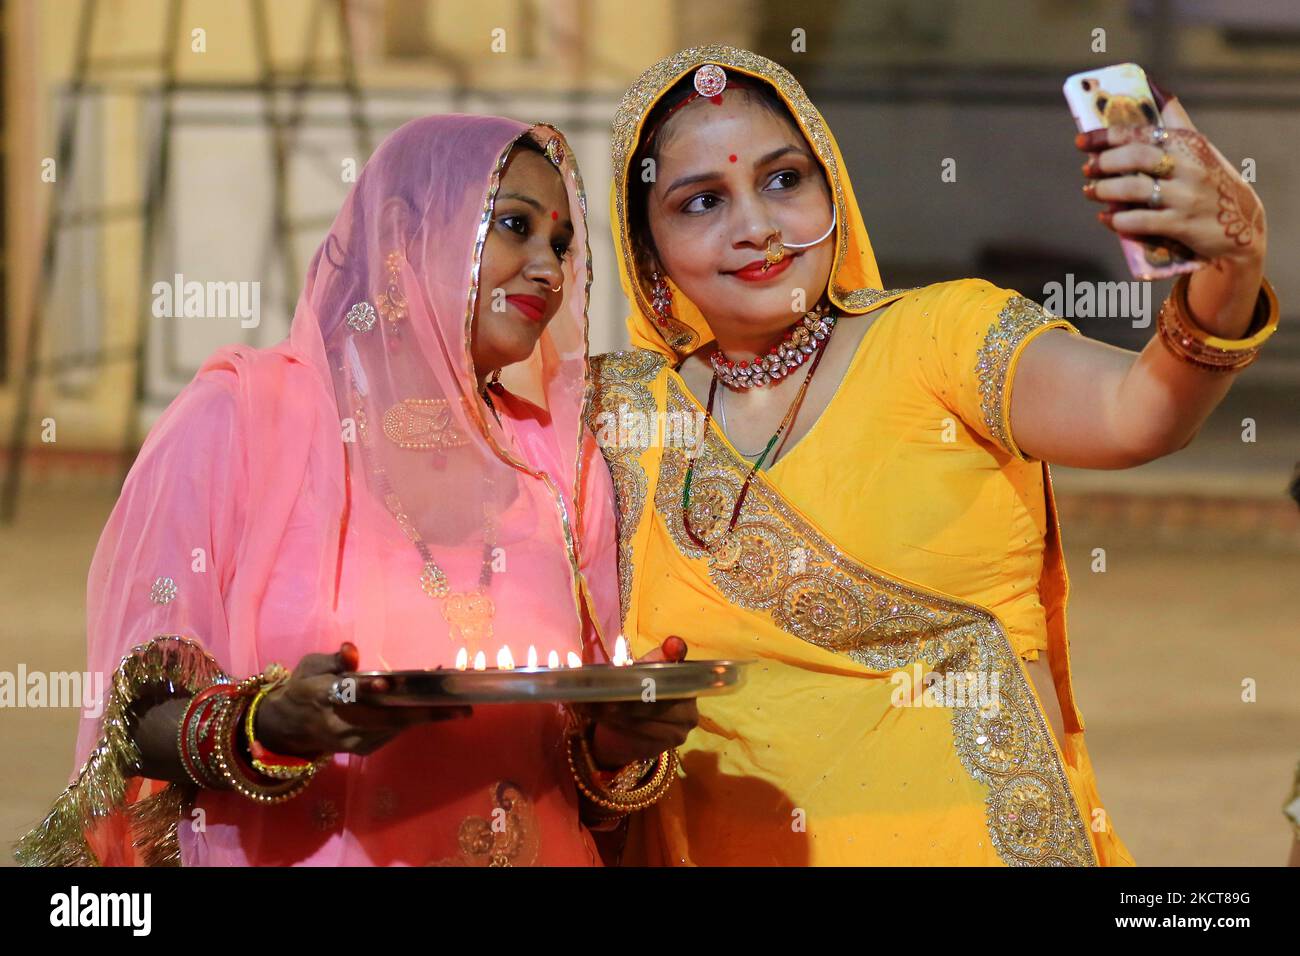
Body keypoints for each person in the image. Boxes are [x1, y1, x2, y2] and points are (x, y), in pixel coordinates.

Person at [587, 45, 1279, 865]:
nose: (758, 227)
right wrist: (606, 744)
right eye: (701, 202)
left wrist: (1232, 266)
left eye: (783, 180)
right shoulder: (622, 416)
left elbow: (1140, 413)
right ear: (647, 253)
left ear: (831, 186)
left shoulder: (940, 336)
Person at [16, 114, 696, 867]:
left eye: (561, 245)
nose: (549, 269)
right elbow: (133, 724)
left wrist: (621, 741)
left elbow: (583, 768)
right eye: (515, 227)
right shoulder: (245, 418)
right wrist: (267, 726)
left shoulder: (556, 460)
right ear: (404, 234)